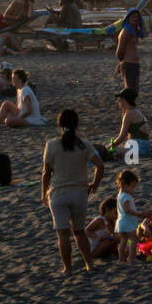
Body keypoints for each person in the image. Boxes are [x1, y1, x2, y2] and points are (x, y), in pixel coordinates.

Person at [41, 109, 104, 274]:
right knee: (79, 232)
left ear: (60, 125)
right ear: (76, 125)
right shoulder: (84, 145)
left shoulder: (52, 145)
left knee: (62, 235)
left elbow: (46, 173)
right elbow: (100, 166)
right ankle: (89, 264)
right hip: (79, 194)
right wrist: (94, 185)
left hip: (58, 194)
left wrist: (43, 193)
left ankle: (67, 268)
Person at [114, 170, 150, 263]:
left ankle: (121, 258)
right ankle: (131, 257)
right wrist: (139, 213)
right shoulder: (126, 196)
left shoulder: (119, 195)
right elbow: (127, 210)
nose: (133, 189)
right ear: (124, 184)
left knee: (123, 240)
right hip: (127, 222)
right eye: (132, 186)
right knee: (134, 239)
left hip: (121, 222)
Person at [103, 87, 150, 158]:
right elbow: (126, 137)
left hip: (137, 148)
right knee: (116, 150)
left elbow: (121, 137)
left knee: (111, 152)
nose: (117, 102)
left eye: (119, 99)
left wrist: (108, 147)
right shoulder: (137, 111)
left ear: (124, 100)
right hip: (145, 146)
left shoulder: (129, 114)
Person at [115, 9, 146, 92]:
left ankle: (123, 101)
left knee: (135, 90)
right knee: (131, 90)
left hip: (135, 64)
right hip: (128, 64)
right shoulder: (125, 32)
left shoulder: (134, 31)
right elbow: (119, 51)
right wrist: (121, 63)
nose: (135, 19)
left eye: (137, 17)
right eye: (133, 17)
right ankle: (121, 100)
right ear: (128, 19)